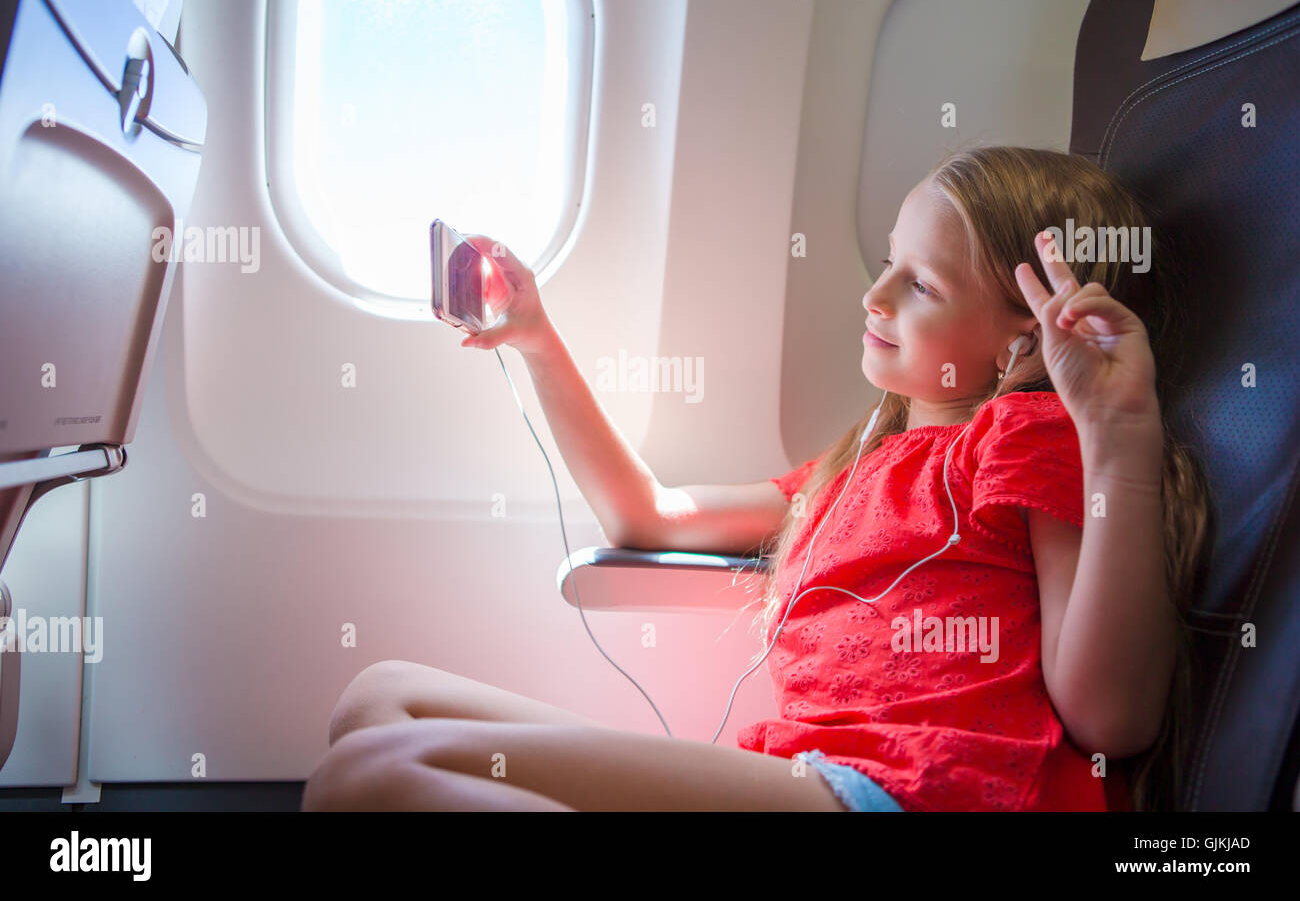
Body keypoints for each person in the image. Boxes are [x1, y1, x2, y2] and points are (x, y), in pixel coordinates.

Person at [301, 145, 1210, 812]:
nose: (875, 295)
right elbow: (649, 517)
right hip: (808, 777)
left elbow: (1111, 719)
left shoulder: (1021, 435)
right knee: (378, 697)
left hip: (926, 788)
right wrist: (538, 339)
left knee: (374, 779)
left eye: (922, 286)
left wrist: (1118, 437)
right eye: (887, 263)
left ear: (1025, 339)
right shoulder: (854, 467)